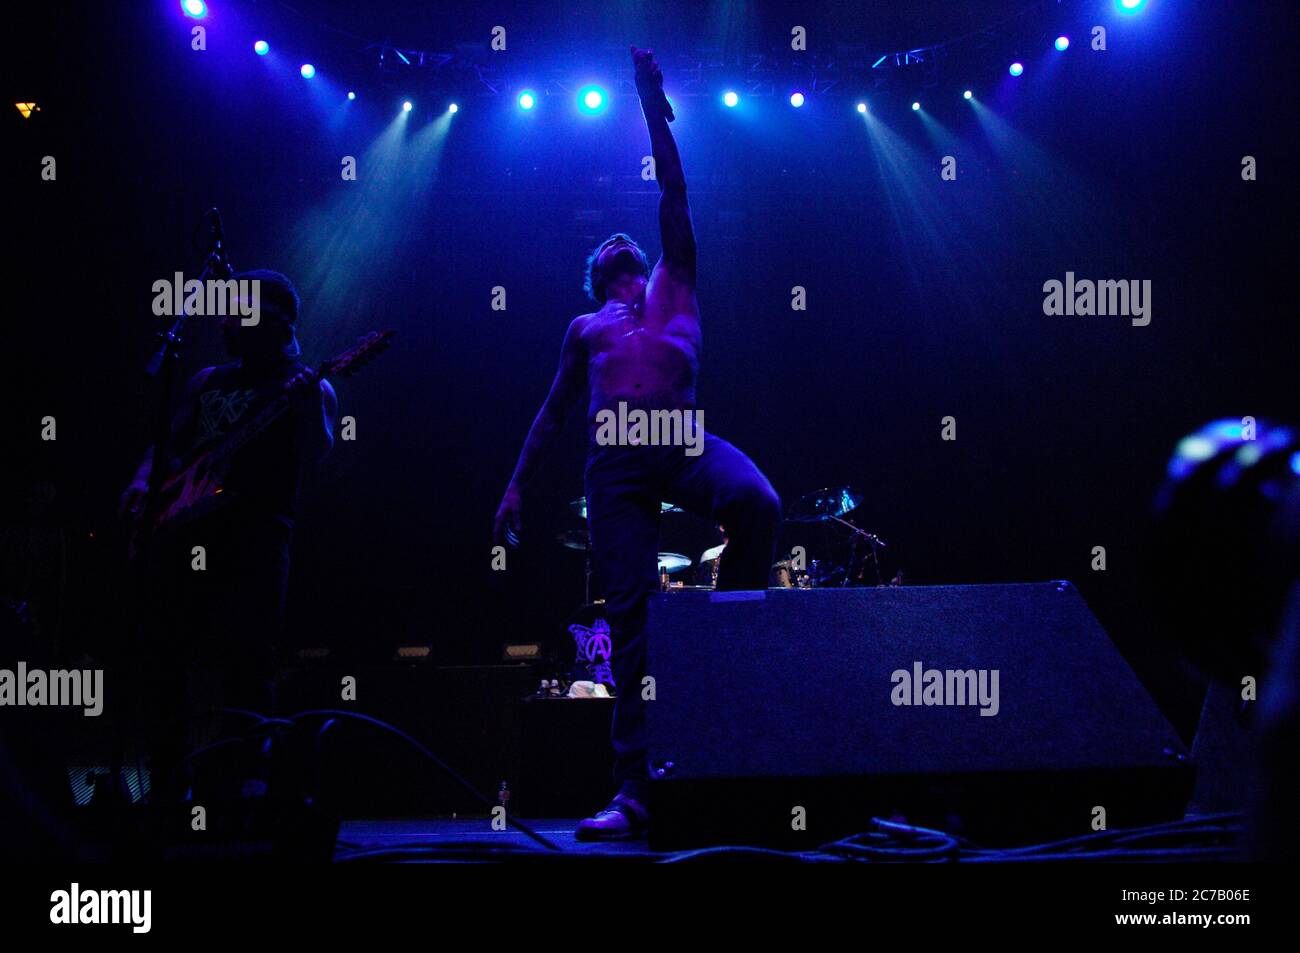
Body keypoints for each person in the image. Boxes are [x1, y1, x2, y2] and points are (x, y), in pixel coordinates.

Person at [495, 48, 781, 839]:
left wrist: (651, 101)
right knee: (630, 617)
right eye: (612, 256)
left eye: (634, 251)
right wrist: (516, 485)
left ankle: (731, 642)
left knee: (759, 502)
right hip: (616, 460)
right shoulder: (587, 327)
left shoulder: (675, 281)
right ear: (599, 276)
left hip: (683, 438)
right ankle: (634, 789)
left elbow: (673, 190)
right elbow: (552, 412)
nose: (627, 252)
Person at [120, 270, 336, 801]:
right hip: (181, 536)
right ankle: (170, 779)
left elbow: (318, 454)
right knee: (163, 653)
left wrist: (308, 401)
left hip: (256, 540)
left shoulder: (307, 385)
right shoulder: (207, 380)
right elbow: (167, 446)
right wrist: (143, 482)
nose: (226, 322)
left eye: (240, 312)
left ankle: (241, 784)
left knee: (249, 660)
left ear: (276, 322)